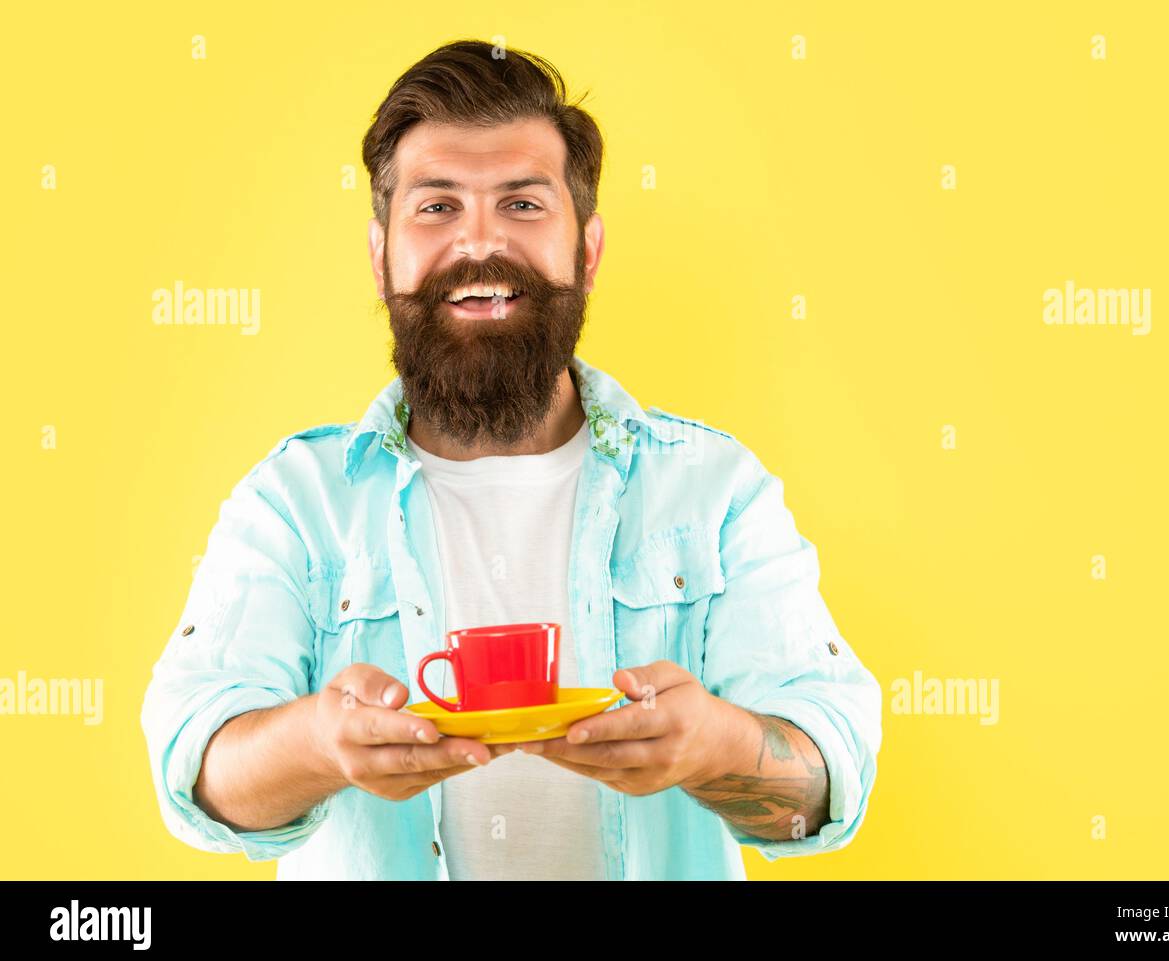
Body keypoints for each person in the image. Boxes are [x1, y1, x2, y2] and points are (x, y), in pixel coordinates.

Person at [140, 38, 882, 880]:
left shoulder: (714, 490)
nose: (479, 243)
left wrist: (714, 745)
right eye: (437, 207)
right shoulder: (296, 502)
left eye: (523, 205)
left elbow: (824, 781)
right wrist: (319, 743)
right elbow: (195, 771)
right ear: (381, 255)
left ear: (588, 251)